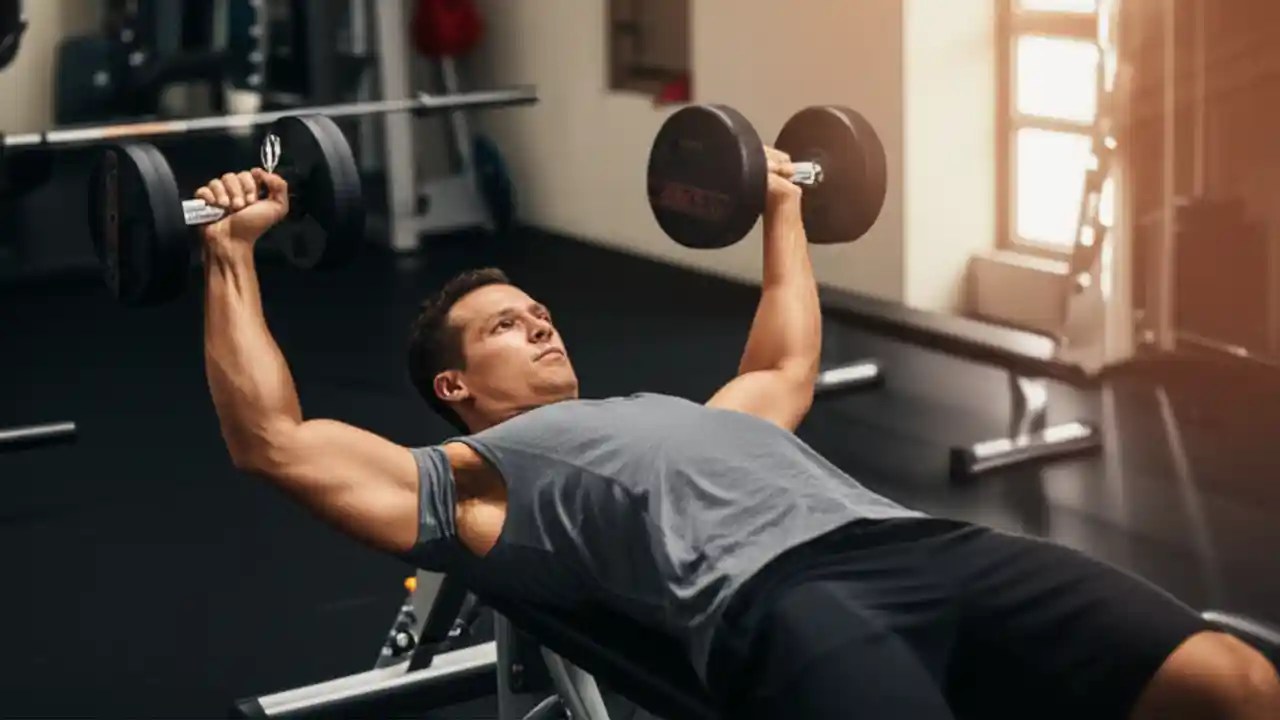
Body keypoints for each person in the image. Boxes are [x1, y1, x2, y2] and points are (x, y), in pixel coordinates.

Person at [196, 158, 1279, 720]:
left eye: (539, 312)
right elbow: (275, 441)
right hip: (779, 606)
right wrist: (232, 256)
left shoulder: (690, 418)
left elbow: (781, 367)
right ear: (453, 385)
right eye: (502, 327)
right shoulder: (476, 480)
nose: (538, 322)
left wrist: (782, 207)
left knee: (1228, 683)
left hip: (925, 546)